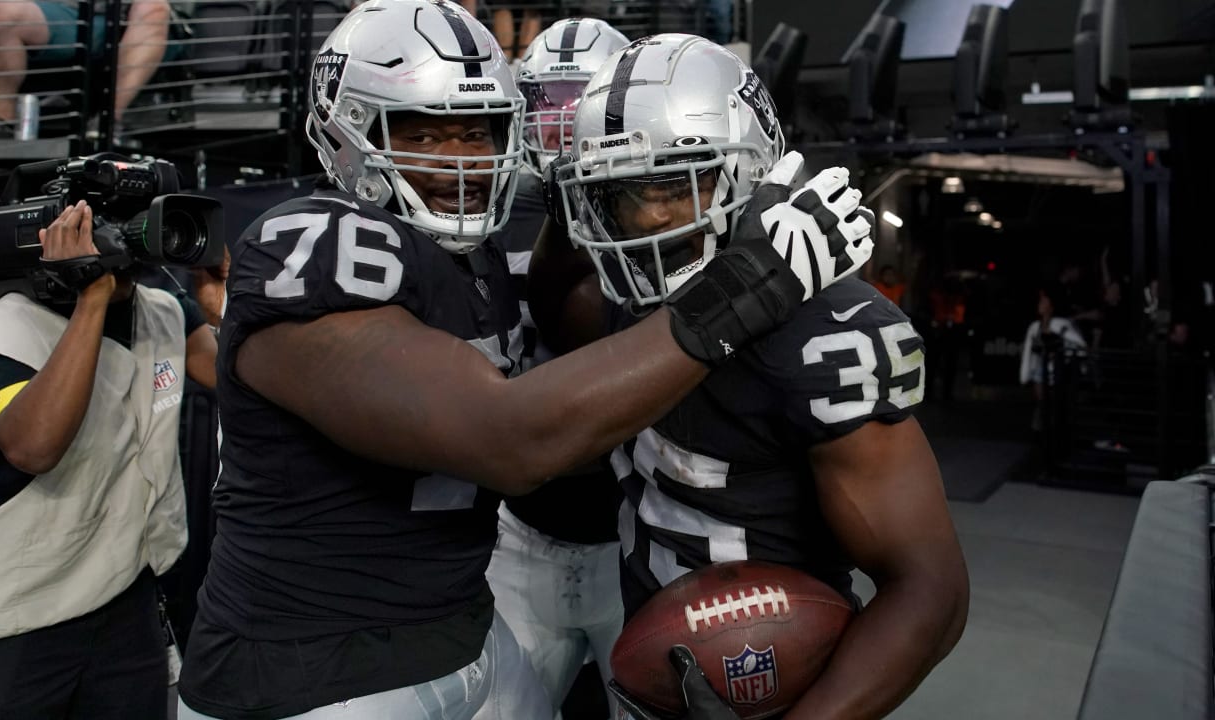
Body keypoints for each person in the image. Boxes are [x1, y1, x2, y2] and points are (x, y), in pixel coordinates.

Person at [175, 3, 874, 719]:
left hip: (463, 630)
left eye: (478, 131)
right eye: (423, 133)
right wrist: (752, 286)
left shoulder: (475, 259)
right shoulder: (317, 242)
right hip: (314, 675)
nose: (460, 160)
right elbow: (506, 440)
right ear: (347, 131)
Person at [532, 34, 970, 719]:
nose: (651, 217)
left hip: (774, 685)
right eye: (624, 194)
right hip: (648, 663)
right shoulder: (626, 295)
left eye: (676, 182)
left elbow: (931, 590)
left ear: (749, 172)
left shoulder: (825, 336)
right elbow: (553, 309)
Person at [0, 200, 223, 719]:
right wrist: (92, 295)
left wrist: (227, 310)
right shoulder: (3, 328)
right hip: (4, 617)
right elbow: (34, 448)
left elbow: (242, 385)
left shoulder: (163, 309)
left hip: (123, 599)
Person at [485, 16, 629, 718]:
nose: (561, 123)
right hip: (519, 525)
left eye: (580, 102)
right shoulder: (486, 210)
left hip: (635, 530)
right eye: (546, 103)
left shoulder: (656, 206)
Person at [0, 0, 179, 138]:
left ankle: (107, 121)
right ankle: (2, 118)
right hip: (61, 10)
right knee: (3, 13)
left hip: (128, 16)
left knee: (154, 7)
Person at [1020, 288, 1086, 431]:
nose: (1040, 304)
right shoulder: (1035, 327)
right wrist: (1025, 374)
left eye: (1044, 301)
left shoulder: (1061, 324)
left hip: (1059, 372)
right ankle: (1041, 431)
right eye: (1040, 301)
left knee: (1056, 404)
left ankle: (1055, 430)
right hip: (1039, 370)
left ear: (1051, 305)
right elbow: (1028, 351)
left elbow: (1079, 344)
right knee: (1042, 403)